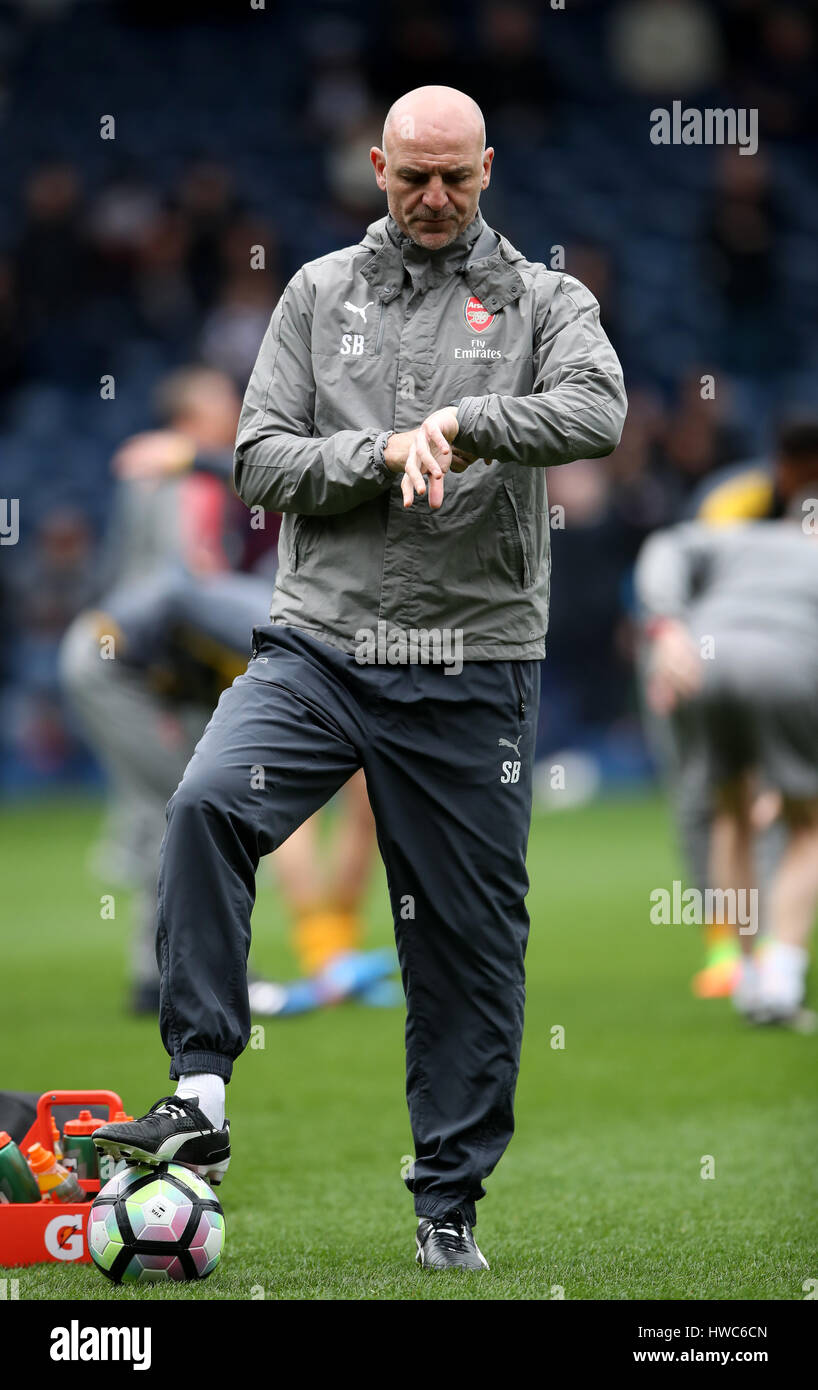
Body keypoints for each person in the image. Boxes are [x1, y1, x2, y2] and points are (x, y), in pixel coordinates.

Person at [94, 85, 626, 1271]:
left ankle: (448, 1202)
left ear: (487, 168)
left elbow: (598, 406)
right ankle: (200, 1094)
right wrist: (382, 452)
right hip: (322, 647)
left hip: (473, 662)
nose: (434, 200)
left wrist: (471, 421)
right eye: (411, 178)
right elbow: (255, 456)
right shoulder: (315, 291)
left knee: (465, 943)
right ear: (374, 166)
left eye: (457, 178)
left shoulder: (545, 300)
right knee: (205, 805)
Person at [635, 422, 818, 1027]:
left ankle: (740, 971)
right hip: (788, 666)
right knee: (810, 826)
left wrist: (666, 627)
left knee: (729, 813)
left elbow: (663, 548)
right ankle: (781, 980)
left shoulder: (742, 535)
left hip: (702, 661)